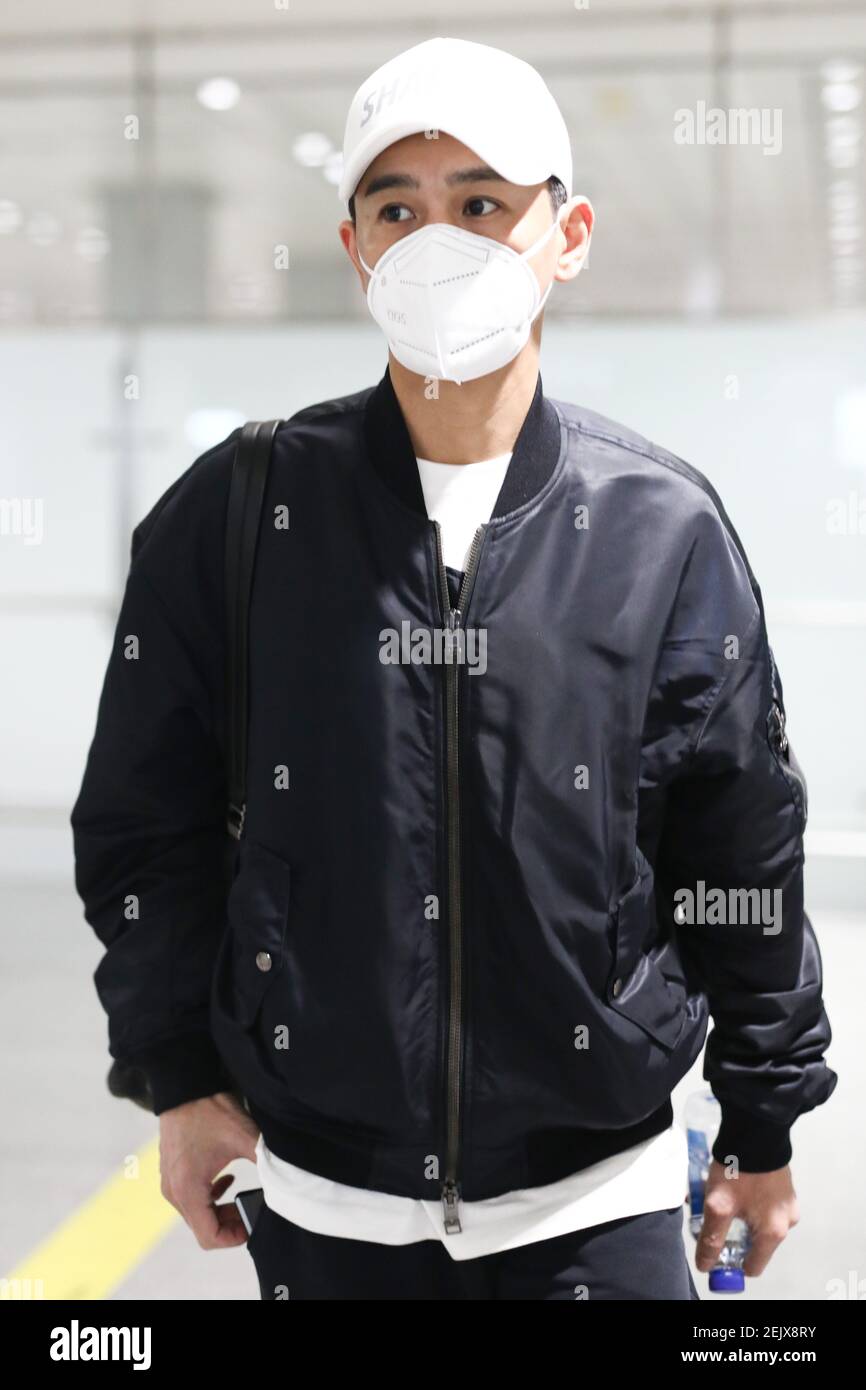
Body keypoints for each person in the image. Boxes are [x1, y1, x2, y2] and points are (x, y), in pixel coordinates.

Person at [70, 36, 837, 1301]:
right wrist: (175, 1076)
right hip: (327, 1197)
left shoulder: (656, 527)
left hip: (598, 1198)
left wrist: (761, 1122)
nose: (439, 240)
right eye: (398, 207)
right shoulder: (242, 513)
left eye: (481, 202)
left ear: (567, 232)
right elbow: (147, 824)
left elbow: (737, 845)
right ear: (354, 245)